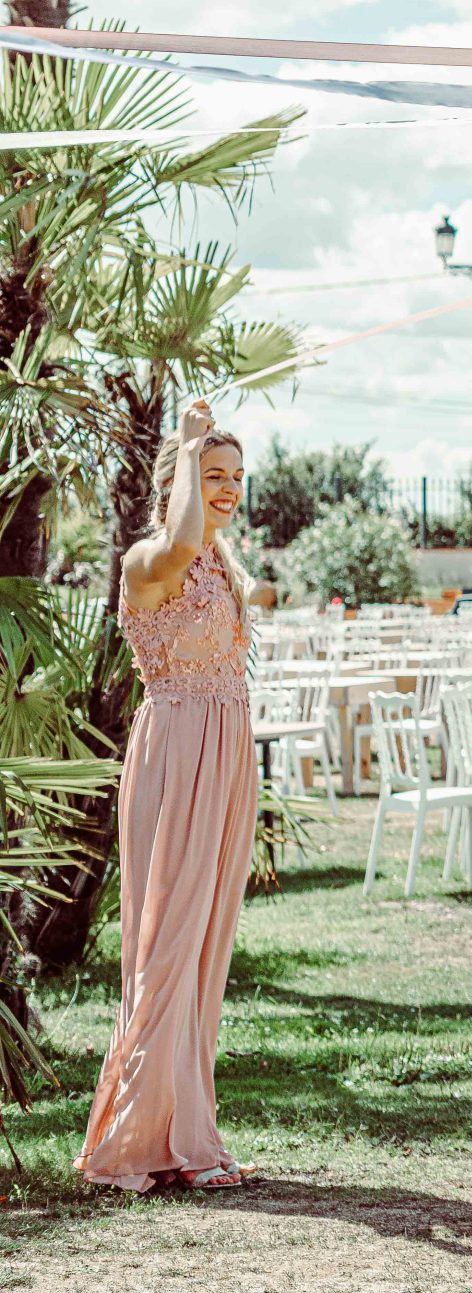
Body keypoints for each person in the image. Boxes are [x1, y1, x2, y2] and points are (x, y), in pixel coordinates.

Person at [77, 400, 261, 1192]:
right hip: (177, 752)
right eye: (213, 475)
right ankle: (141, 1139)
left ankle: (189, 1132)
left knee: (205, 947)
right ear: (179, 479)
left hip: (225, 754)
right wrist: (189, 445)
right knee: (169, 944)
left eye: (235, 478)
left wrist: (199, 460)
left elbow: (207, 547)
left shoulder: (221, 566)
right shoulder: (152, 558)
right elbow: (186, 535)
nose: (228, 489)